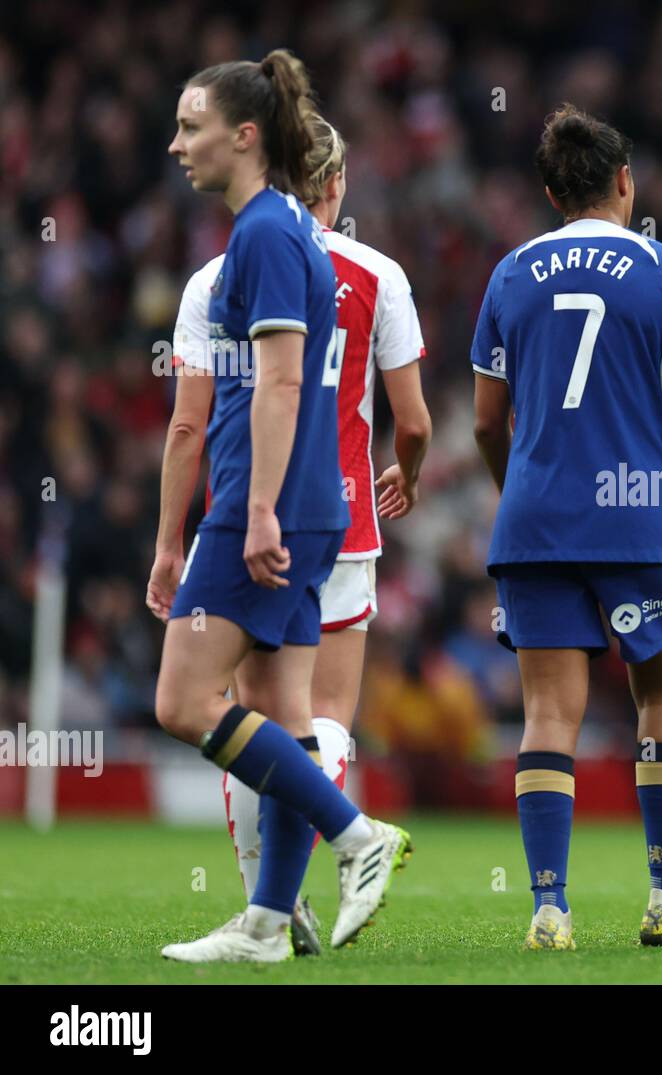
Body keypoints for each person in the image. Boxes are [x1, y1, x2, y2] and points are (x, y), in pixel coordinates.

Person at [471, 104, 662, 950]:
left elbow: (487, 424)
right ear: (625, 182)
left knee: (547, 716)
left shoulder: (509, 274)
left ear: (548, 191)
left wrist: (519, 494)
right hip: (641, 514)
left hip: (537, 520)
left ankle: (548, 908)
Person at [147, 51, 411, 963]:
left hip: (266, 509)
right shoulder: (290, 226)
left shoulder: (260, 234)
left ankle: (356, 835)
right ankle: (266, 922)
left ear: (245, 135)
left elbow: (283, 379)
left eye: (191, 127)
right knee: (285, 713)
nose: (177, 144)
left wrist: (252, 512)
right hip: (311, 509)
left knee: (183, 700)